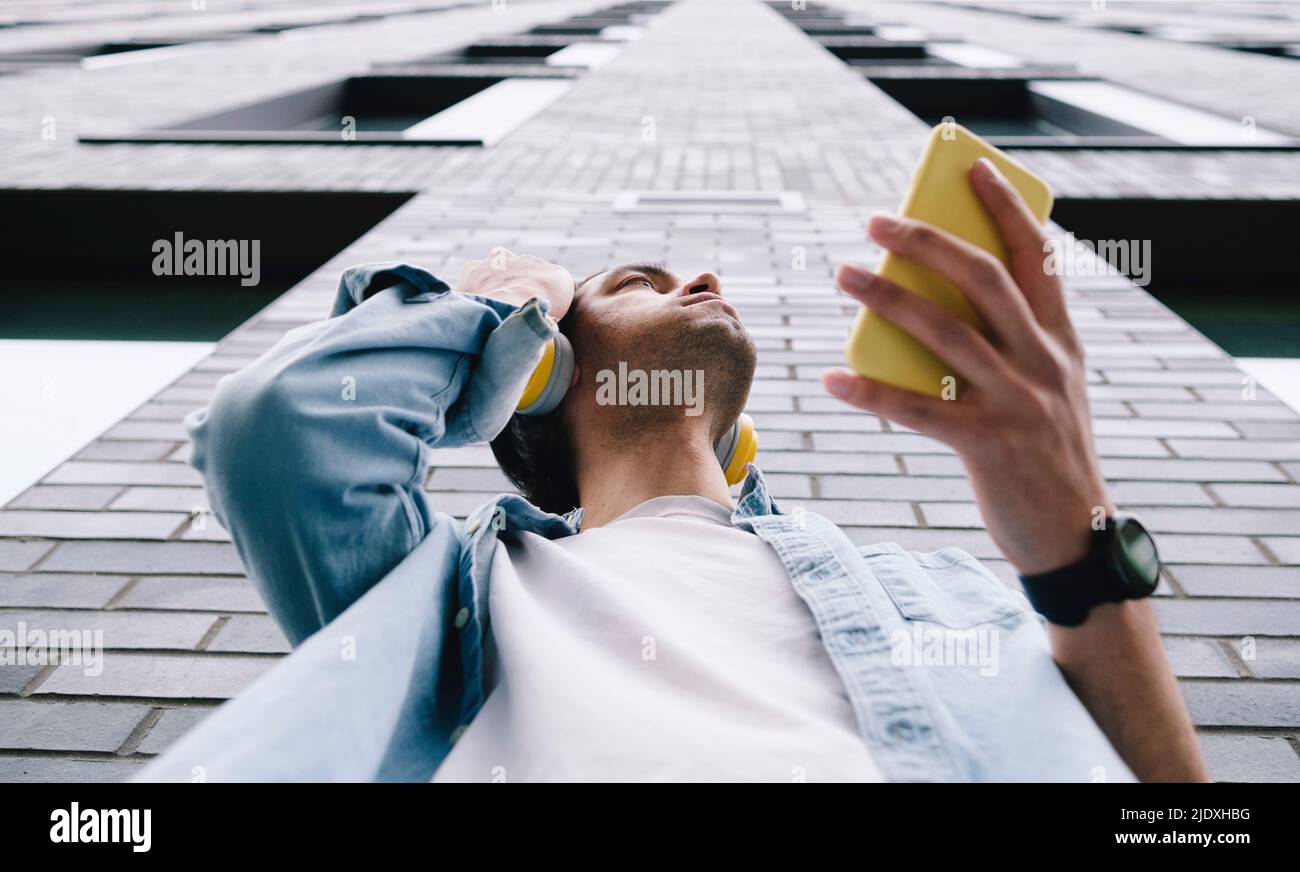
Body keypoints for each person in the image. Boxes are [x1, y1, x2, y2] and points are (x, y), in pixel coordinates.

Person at [137, 159, 1206, 782]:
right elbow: (274, 426)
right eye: (637, 282)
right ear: (547, 373)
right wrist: (505, 309)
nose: (698, 278)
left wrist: (1075, 532)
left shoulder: (948, 593)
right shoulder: (444, 593)